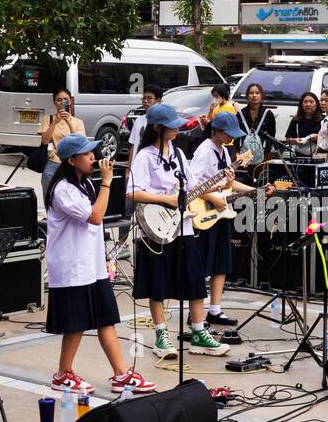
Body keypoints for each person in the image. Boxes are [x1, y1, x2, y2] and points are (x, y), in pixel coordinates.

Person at [45, 133, 155, 395]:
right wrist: (106, 182)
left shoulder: (85, 184)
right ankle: (62, 374)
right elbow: (95, 217)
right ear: (72, 160)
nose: (94, 157)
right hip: (72, 267)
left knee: (106, 318)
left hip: (91, 266)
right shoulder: (63, 190)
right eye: (87, 154)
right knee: (77, 324)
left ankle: (121, 374)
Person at [128, 104, 230, 358]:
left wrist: (221, 185)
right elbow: (132, 191)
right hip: (156, 229)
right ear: (157, 128)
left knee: (195, 280)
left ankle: (199, 332)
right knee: (158, 284)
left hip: (183, 227)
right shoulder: (145, 157)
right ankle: (161, 336)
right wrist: (165, 200)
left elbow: (195, 187)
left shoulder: (180, 154)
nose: (176, 129)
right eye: (171, 125)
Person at [191, 112, 268, 328]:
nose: (231, 138)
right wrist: (213, 199)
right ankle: (195, 314)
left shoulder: (224, 151)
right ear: (216, 130)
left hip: (222, 211)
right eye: (228, 133)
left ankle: (215, 309)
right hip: (206, 211)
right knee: (204, 263)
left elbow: (228, 184)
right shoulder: (205, 151)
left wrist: (257, 191)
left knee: (221, 262)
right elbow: (193, 185)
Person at [37, 88, 86, 198]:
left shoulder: (78, 122)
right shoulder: (48, 119)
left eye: (65, 99)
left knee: (71, 197)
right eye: (59, 100)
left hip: (72, 165)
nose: (62, 102)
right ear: (54, 102)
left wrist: (69, 123)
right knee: (49, 197)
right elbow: (44, 140)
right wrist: (55, 122)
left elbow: (80, 143)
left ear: (70, 102)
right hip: (52, 163)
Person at [125, 84, 162, 164]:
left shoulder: (162, 122)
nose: (145, 101)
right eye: (144, 98)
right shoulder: (139, 120)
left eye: (149, 98)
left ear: (158, 101)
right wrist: (129, 168)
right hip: (137, 166)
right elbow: (133, 145)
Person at [284, 92, 323, 158]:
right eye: (305, 102)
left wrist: (318, 137)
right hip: (299, 157)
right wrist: (295, 141)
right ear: (301, 104)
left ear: (316, 104)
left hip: (319, 156)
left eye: (311, 102)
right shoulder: (296, 120)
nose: (308, 104)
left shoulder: (323, 120)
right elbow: (287, 140)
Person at [241, 82, 277, 147]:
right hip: (244, 153)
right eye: (251, 93)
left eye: (257, 93)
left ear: (261, 96)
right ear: (247, 96)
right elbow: (237, 137)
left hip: (263, 152)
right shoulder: (241, 114)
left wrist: (267, 152)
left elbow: (272, 136)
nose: (254, 95)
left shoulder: (268, 114)